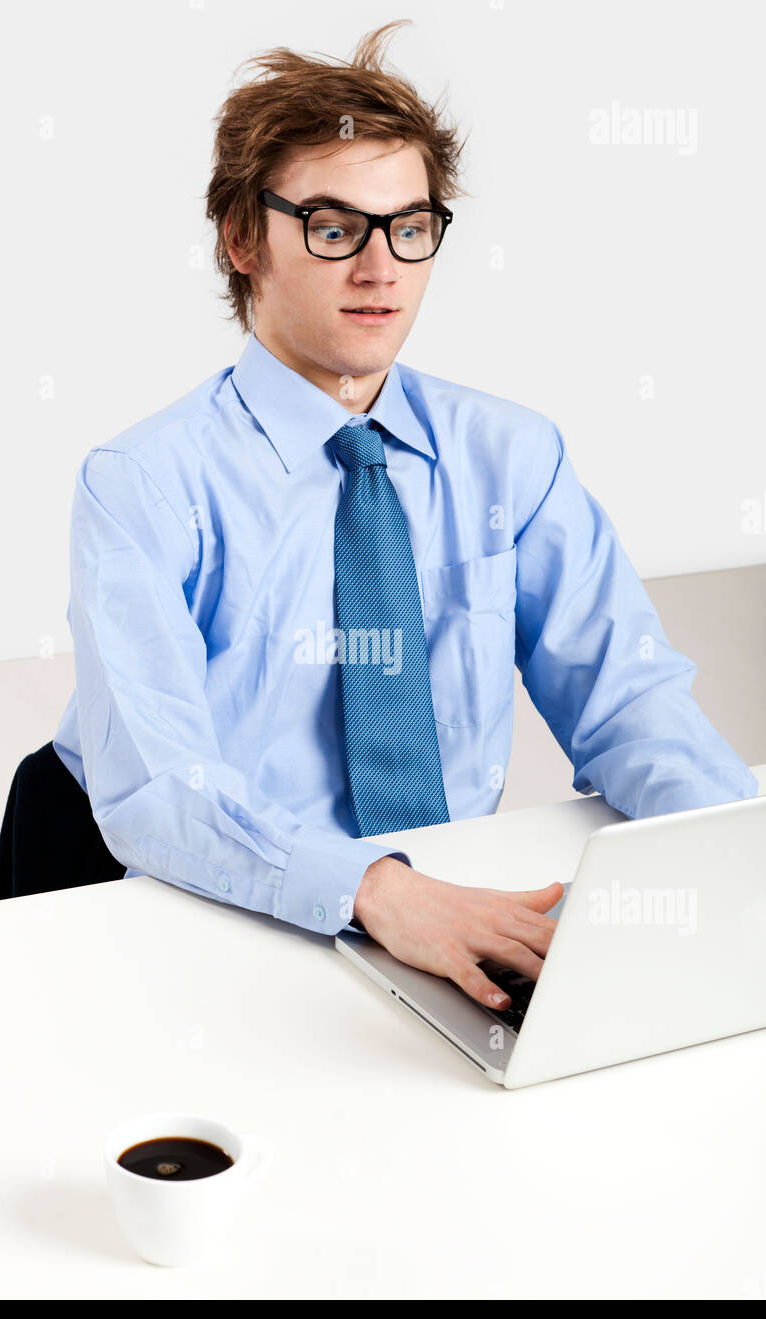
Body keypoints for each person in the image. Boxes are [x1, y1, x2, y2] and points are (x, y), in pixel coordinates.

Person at [52, 21, 758, 1013]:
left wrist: (733, 853)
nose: (381, 269)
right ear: (242, 236)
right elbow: (163, 793)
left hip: (459, 909)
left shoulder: (511, 454)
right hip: (234, 914)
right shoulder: (143, 483)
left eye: (410, 227)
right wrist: (374, 890)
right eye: (334, 228)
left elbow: (626, 699)